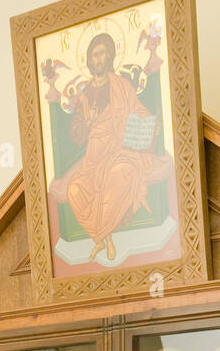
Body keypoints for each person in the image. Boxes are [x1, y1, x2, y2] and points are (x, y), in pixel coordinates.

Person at [65, 32, 159, 262]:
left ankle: (102, 239)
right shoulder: (84, 95)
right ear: (89, 61)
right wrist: (88, 124)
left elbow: (139, 111)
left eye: (102, 53)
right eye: (94, 55)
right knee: (74, 190)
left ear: (109, 56)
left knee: (117, 176)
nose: (98, 59)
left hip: (121, 152)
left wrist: (149, 125)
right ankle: (104, 239)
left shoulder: (121, 86)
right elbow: (76, 135)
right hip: (94, 159)